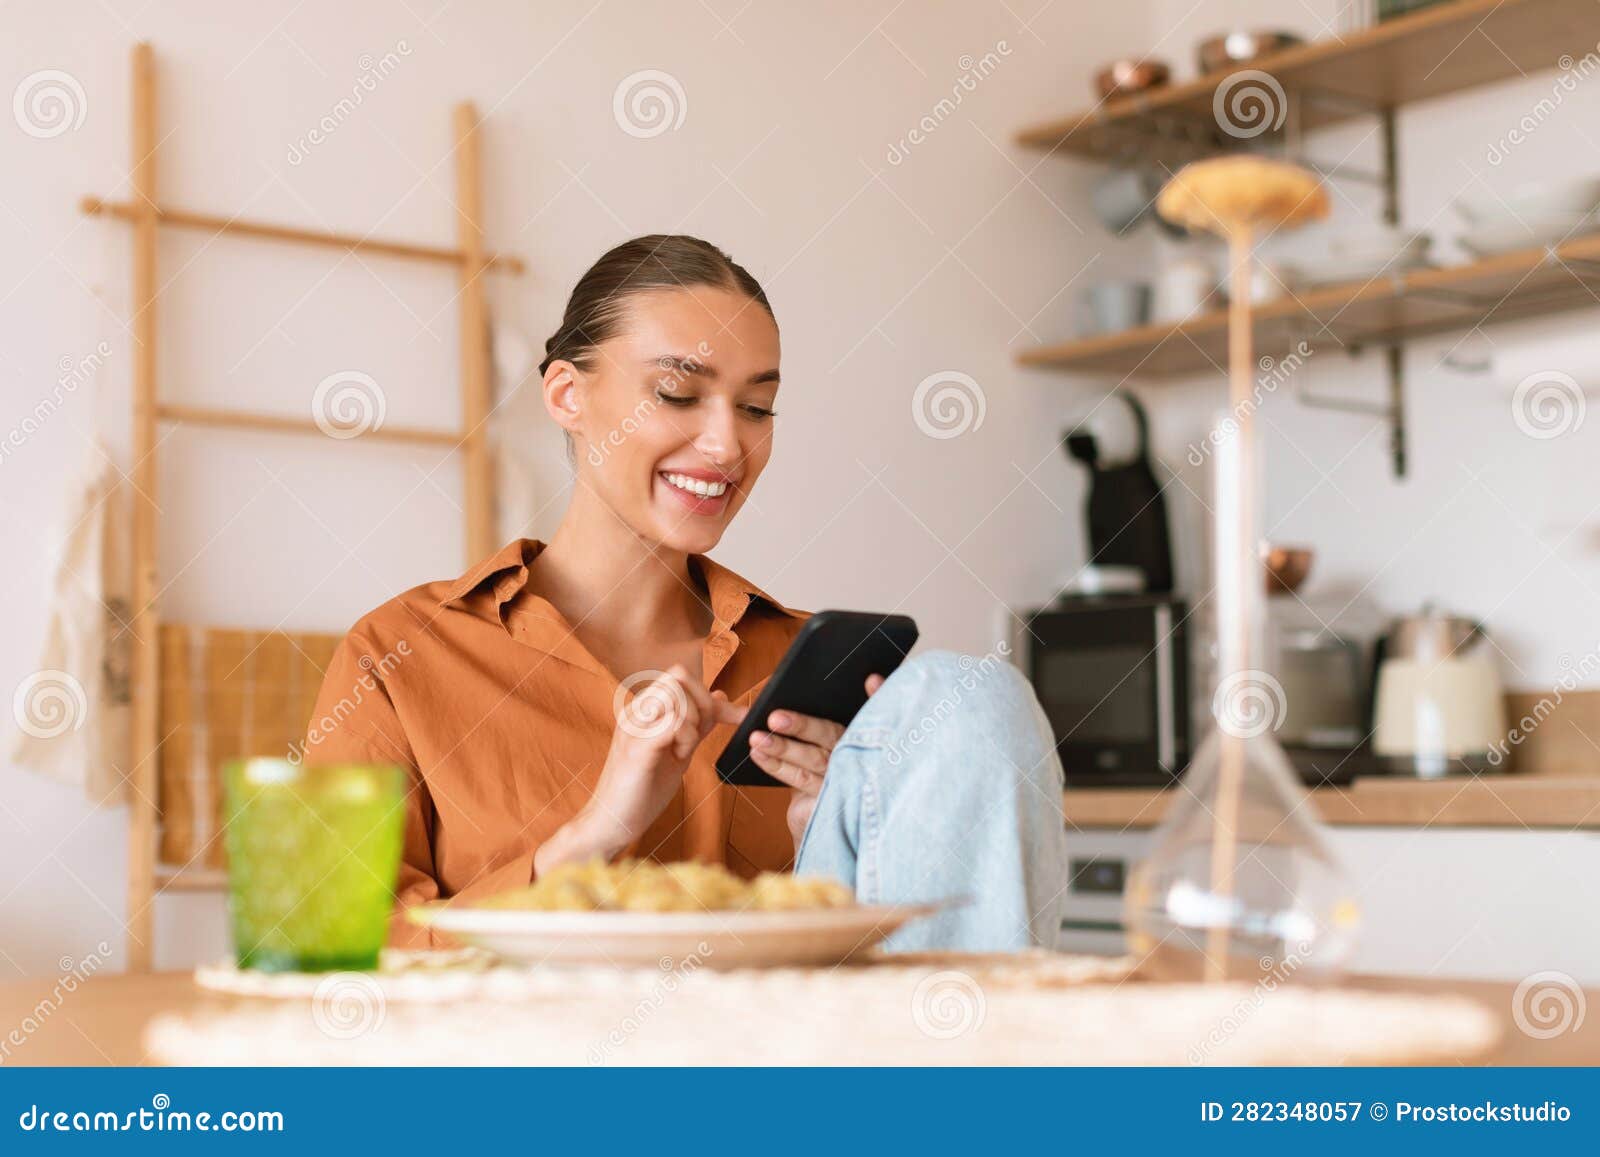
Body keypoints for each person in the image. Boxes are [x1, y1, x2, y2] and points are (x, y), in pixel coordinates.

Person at [307, 234, 1068, 951]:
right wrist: (591, 836)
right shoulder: (400, 653)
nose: (728, 443)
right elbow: (338, 955)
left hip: (792, 1067)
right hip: (541, 1073)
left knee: (968, 693)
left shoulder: (813, 673)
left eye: (756, 406)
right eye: (677, 392)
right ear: (567, 395)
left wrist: (838, 843)